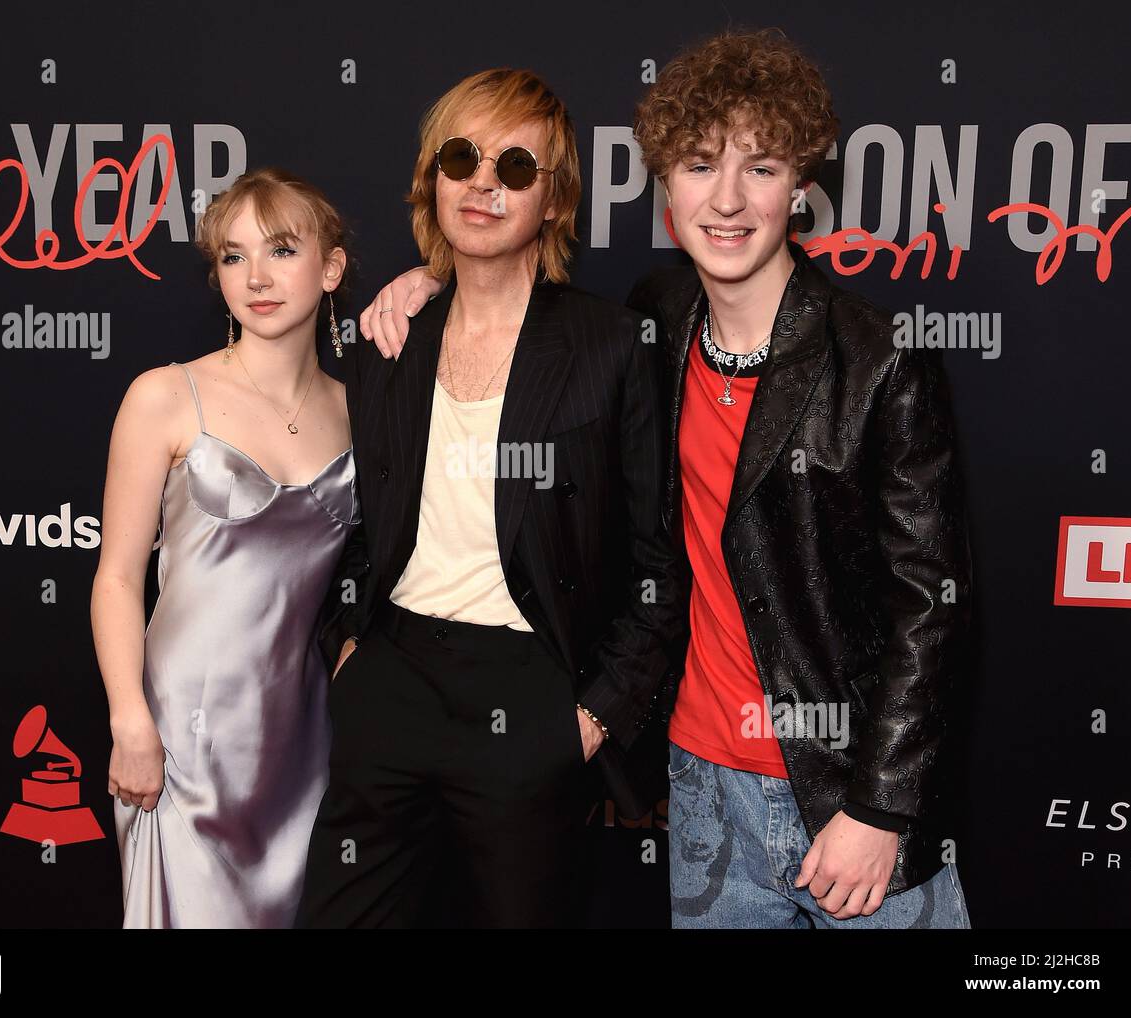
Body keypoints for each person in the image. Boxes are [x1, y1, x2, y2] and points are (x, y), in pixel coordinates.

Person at [361, 30, 974, 928]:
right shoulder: (653, 321)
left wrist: (881, 806)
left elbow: (933, 607)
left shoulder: (879, 361)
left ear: (800, 187)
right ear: (664, 187)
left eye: (759, 169)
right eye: (697, 166)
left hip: (842, 796)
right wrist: (428, 279)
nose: (726, 200)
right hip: (700, 795)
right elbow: (509, 297)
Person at [296, 67, 683, 928]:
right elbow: (362, 524)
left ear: (552, 201)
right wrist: (351, 647)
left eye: (514, 168)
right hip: (390, 680)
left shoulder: (610, 345)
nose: (481, 184)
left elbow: (660, 562)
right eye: (462, 157)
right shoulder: (390, 339)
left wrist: (589, 719)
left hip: (529, 691)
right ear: (433, 175)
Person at [91, 168, 357, 928]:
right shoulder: (165, 396)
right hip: (180, 739)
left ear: (330, 268)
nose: (257, 277)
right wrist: (129, 721)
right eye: (233, 257)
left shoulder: (364, 410)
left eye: (281, 249)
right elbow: (115, 580)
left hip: (303, 739)